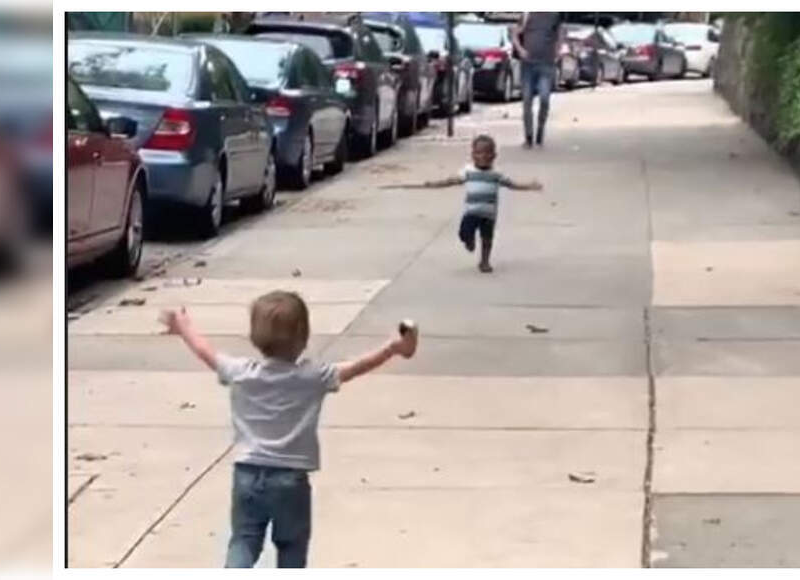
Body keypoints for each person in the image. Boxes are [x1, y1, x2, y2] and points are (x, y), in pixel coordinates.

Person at [158, 291, 418, 568]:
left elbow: (205, 352)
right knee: (292, 547)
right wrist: (394, 348)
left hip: (247, 474)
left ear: (254, 337)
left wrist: (183, 327)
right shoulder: (312, 377)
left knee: (244, 540)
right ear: (304, 338)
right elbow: (357, 367)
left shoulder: (241, 372)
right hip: (291, 481)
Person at [382, 134, 542, 273]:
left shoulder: (497, 174)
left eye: (487, 153)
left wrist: (529, 186)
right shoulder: (468, 171)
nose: (483, 156)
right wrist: (434, 183)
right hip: (471, 212)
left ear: (494, 155)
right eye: (479, 153)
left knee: (487, 239)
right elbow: (451, 181)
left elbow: (512, 184)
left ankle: (484, 261)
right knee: (464, 232)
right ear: (473, 155)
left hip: (489, 214)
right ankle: (469, 241)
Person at [511, 12, 562, 149]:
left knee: (544, 98)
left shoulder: (553, 16)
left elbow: (559, 37)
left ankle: (540, 130)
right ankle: (528, 137)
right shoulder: (527, 14)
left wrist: (557, 52)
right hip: (528, 64)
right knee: (527, 100)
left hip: (546, 64)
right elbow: (515, 33)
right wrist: (520, 50)